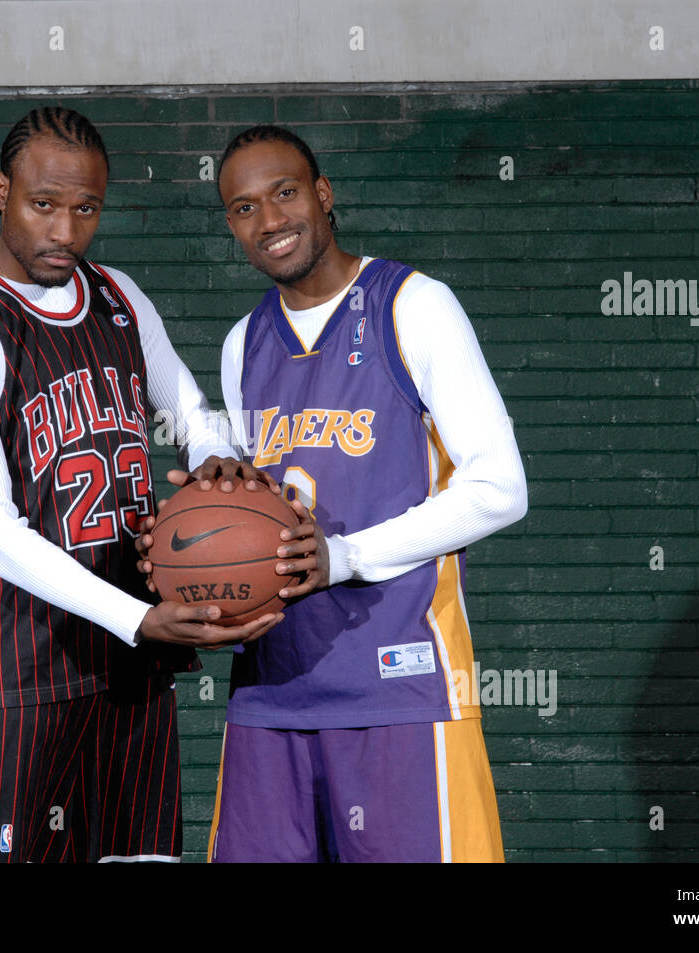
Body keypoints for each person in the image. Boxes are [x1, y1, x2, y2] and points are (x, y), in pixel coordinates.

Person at [0, 107, 282, 863]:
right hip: (22, 674)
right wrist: (138, 618)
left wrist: (215, 458)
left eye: (86, 209)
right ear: (1, 190)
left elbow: (192, 415)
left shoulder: (118, 297)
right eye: (43, 204)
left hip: (134, 675)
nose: (65, 232)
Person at [206, 125, 529, 862]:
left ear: (323, 194)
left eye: (285, 193)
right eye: (244, 208)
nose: (270, 220)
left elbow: (500, 486)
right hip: (268, 697)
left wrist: (345, 553)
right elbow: (249, 518)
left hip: (400, 686)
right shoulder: (242, 344)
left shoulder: (412, 304)